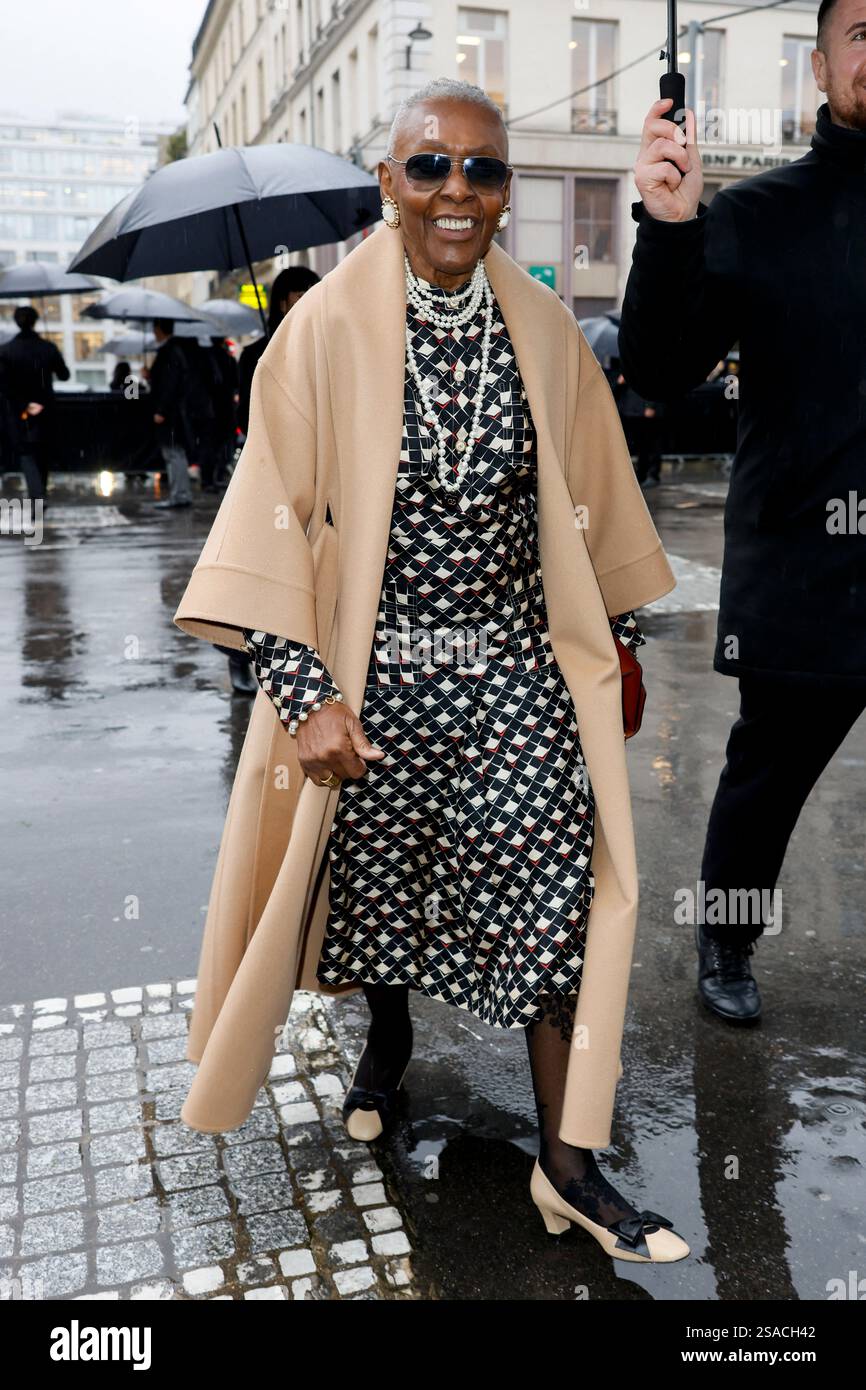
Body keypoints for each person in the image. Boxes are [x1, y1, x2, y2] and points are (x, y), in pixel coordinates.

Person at [174, 77, 687, 1265]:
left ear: (506, 189)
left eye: (483, 171)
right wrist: (307, 697)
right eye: (429, 168)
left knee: (555, 883)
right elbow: (267, 533)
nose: (456, 193)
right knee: (378, 892)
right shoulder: (321, 329)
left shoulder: (546, 328)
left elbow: (592, 506)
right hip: (375, 670)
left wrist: (612, 639)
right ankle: (386, 1048)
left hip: (510, 668)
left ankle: (567, 1164)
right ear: (388, 184)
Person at [618, 0, 866, 1024]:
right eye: (865, 35)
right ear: (818, 66)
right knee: (762, 778)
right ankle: (723, 942)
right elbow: (658, 370)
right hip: (801, 564)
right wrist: (667, 231)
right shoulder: (755, 217)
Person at [236, 266, 319, 437]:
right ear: (283, 304)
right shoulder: (256, 356)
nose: (311, 304)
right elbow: (247, 417)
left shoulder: (322, 347)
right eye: (301, 296)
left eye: (315, 296)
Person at [0, 304, 70, 501]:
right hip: (46, 409)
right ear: (35, 322)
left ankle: (37, 496)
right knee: (42, 453)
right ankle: (41, 493)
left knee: (26, 453)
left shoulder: (6, 351)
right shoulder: (48, 348)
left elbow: (4, 385)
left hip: (19, 413)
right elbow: (64, 375)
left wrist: (25, 404)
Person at [611, 360, 663, 487]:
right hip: (629, 410)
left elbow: (655, 383)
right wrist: (619, 382)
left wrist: (651, 405)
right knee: (638, 445)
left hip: (643, 408)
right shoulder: (621, 366)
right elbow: (613, 392)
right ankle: (640, 475)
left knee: (650, 443)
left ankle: (652, 474)